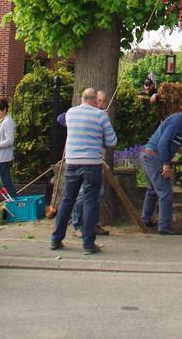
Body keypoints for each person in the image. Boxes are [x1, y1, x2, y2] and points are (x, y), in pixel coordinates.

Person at [50, 87, 117, 255]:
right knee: (90, 202)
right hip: (92, 164)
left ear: (81, 99)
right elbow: (111, 141)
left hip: (72, 162)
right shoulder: (101, 116)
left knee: (67, 200)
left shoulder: (71, 113)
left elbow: (61, 120)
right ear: (96, 101)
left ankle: (56, 239)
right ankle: (88, 244)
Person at [57, 90, 110, 237]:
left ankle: (92, 224)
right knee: (79, 196)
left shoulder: (101, 117)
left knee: (97, 195)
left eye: (104, 101)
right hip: (81, 162)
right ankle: (78, 225)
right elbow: (62, 118)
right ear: (93, 101)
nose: (101, 104)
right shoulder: (76, 113)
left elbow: (105, 142)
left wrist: (102, 160)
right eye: (99, 100)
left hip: (96, 161)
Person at [140, 105, 182, 234]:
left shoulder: (177, 123)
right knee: (165, 192)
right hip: (154, 157)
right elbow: (163, 142)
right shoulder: (178, 121)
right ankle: (164, 226)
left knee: (153, 190)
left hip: (147, 155)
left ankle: (145, 220)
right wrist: (165, 164)